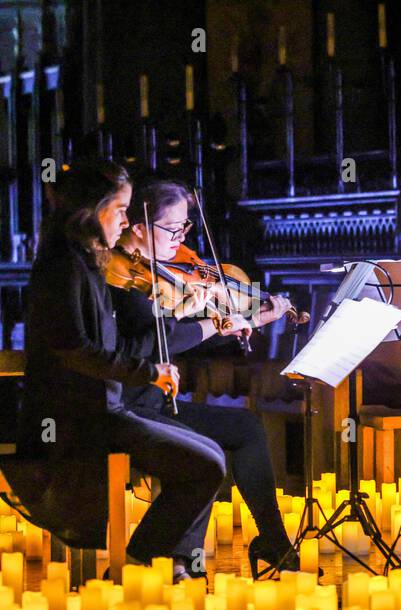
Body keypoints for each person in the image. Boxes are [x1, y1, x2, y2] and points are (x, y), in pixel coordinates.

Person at [20, 160, 226, 583]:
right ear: (90, 211)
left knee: (214, 454)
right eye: (119, 209)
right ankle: (142, 563)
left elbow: (106, 347)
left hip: (106, 407)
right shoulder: (62, 267)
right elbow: (76, 349)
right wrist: (149, 373)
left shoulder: (88, 262)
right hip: (79, 417)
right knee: (205, 465)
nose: (126, 221)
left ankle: (158, 562)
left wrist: (166, 338)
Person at [107, 176, 301, 577]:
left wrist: (245, 316)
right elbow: (158, 342)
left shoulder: (167, 273)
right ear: (139, 227)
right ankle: (160, 558)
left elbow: (184, 333)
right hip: (127, 406)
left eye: (186, 227)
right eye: (172, 228)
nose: (181, 237)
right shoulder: (121, 278)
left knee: (246, 427)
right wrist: (221, 321)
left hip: (155, 401)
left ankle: (272, 540)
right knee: (204, 450)